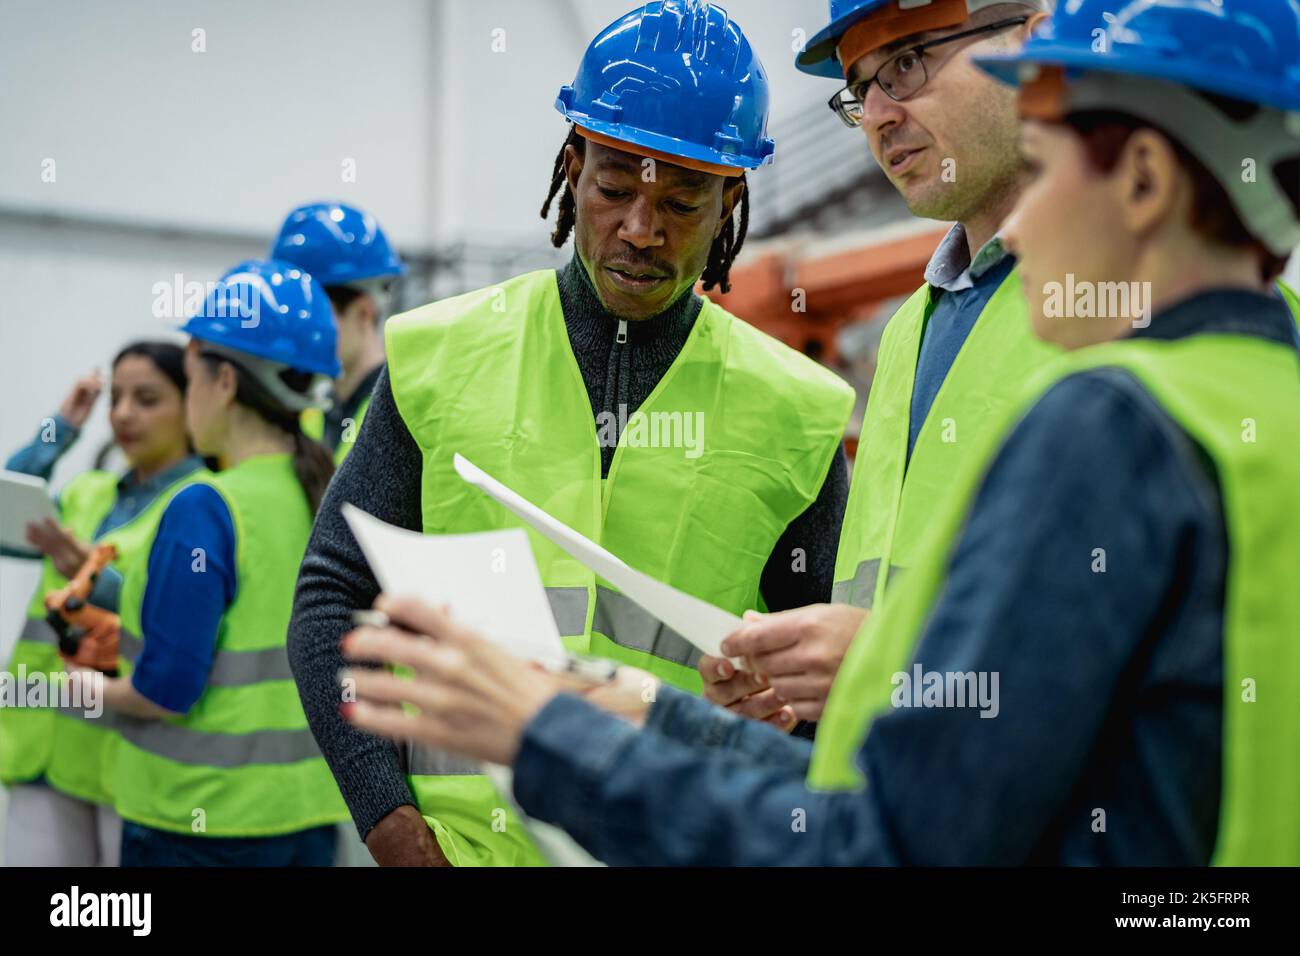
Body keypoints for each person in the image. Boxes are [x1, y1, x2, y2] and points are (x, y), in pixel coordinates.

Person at [337, 0, 1300, 866]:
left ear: (1142, 181)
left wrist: (552, 738)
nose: (1027, 228)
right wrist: (657, 715)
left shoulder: (1117, 420)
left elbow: (887, 841)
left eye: (1046, 169)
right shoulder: (1261, 395)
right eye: (859, 88)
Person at [288, 0, 855, 867]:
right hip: (462, 851)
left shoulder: (799, 413)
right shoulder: (440, 358)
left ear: (730, 199)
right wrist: (391, 827)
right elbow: (331, 595)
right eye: (615, 185)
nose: (641, 228)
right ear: (571, 164)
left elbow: (827, 686)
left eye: (683, 198)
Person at [698, 0, 1060, 726]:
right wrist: (812, 701)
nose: (877, 115)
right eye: (859, 90)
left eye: (906, 62)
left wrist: (888, 665)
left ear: (1034, 36)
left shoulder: (1145, 308)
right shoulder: (908, 335)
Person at [93, 260, 350, 866]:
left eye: (188, 378)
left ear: (226, 382)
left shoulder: (205, 509)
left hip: (194, 828)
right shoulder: (331, 492)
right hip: (309, 820)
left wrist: (77, 690)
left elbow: (167, 690)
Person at [1, 342, 206, 866]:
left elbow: (173, 610)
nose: (123, 415)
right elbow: (6, 514)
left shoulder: (202, 501)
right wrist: (61, 426)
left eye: (147, 398)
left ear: (192, 405)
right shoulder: (88, 491)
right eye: (117, 398)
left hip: (120, 753)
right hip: (41, 741)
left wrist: (89, 576)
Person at [271, 202, 406, 463]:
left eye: (313, 317)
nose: (301, 333)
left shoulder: (402, 417)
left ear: (363, 313)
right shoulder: (312, 417)